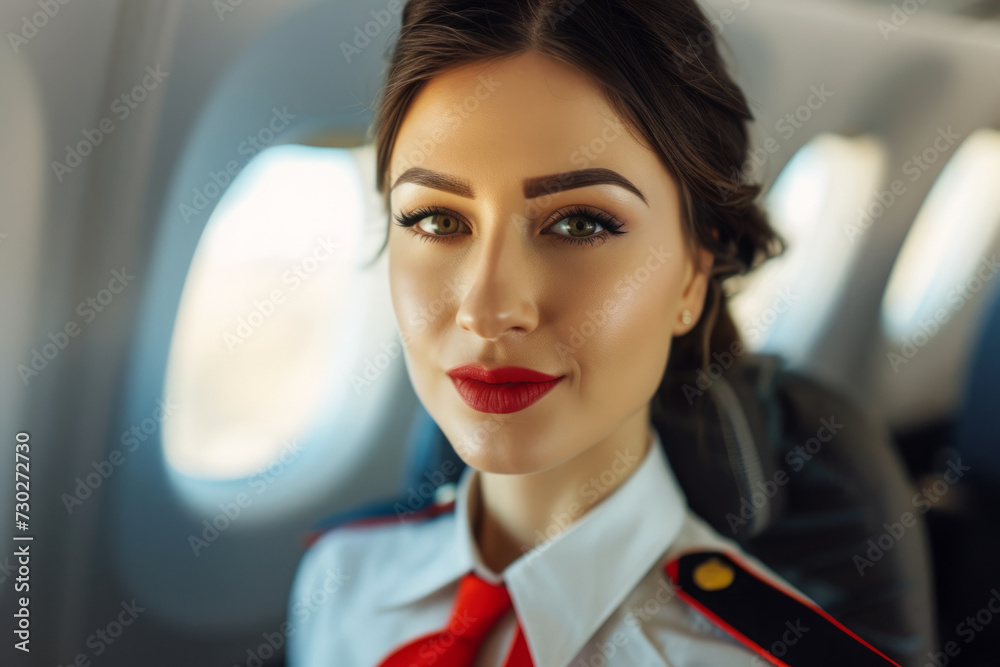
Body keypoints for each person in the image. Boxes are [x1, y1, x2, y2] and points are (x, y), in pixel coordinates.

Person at [287, 0, 903, 664]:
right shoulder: (338, 581)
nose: (489, 309)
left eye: (579, 223)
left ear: (694, 273)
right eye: (437, 220)